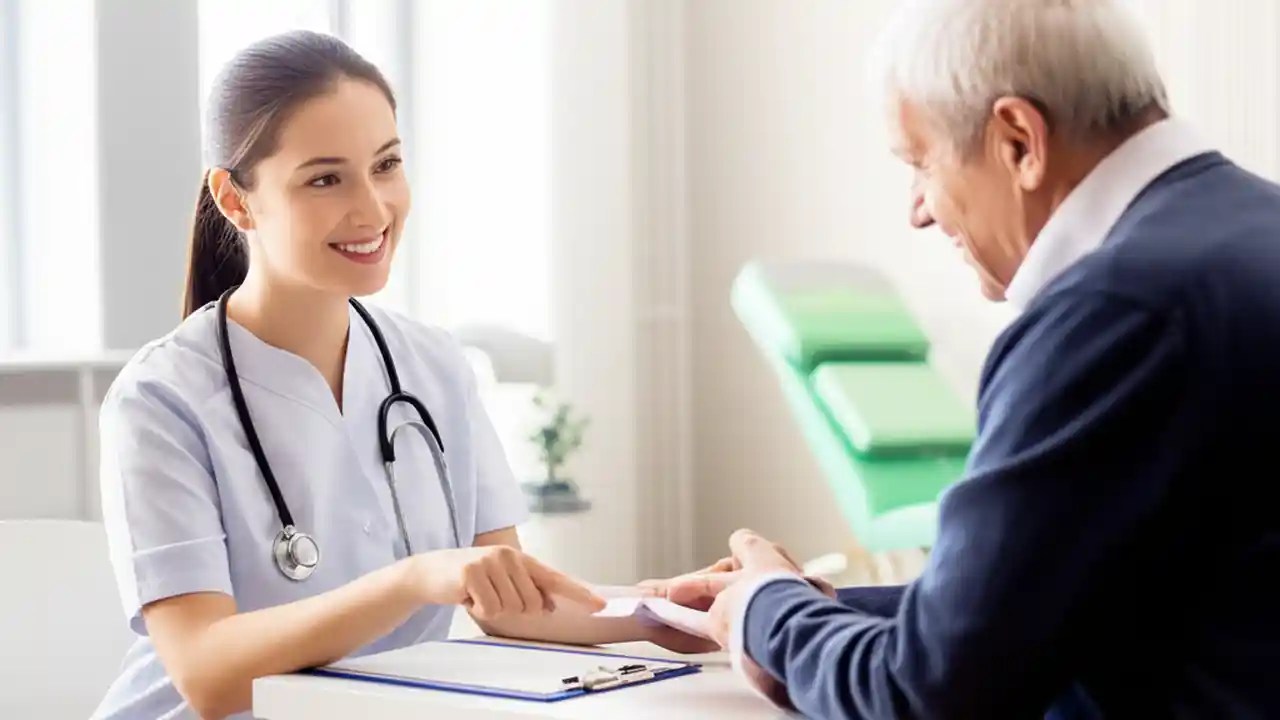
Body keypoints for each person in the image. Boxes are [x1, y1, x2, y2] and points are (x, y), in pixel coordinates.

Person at [647, 0, 1280, 717]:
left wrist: (767, 613)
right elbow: (1070, 606)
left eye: (921, 163)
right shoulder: (1250, 240)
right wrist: (806, 607)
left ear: (1019, 141)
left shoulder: (1111, 312)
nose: (918, 209)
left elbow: (928, 692)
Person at [92, 31, 702, 720]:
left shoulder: (433, 366)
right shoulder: (161, 399)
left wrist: (666, 611)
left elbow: (508, 604)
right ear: (235, 201)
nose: (373, 209)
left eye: (385, 165)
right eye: (325, 179)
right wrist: (415, 579)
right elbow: (208, 675)